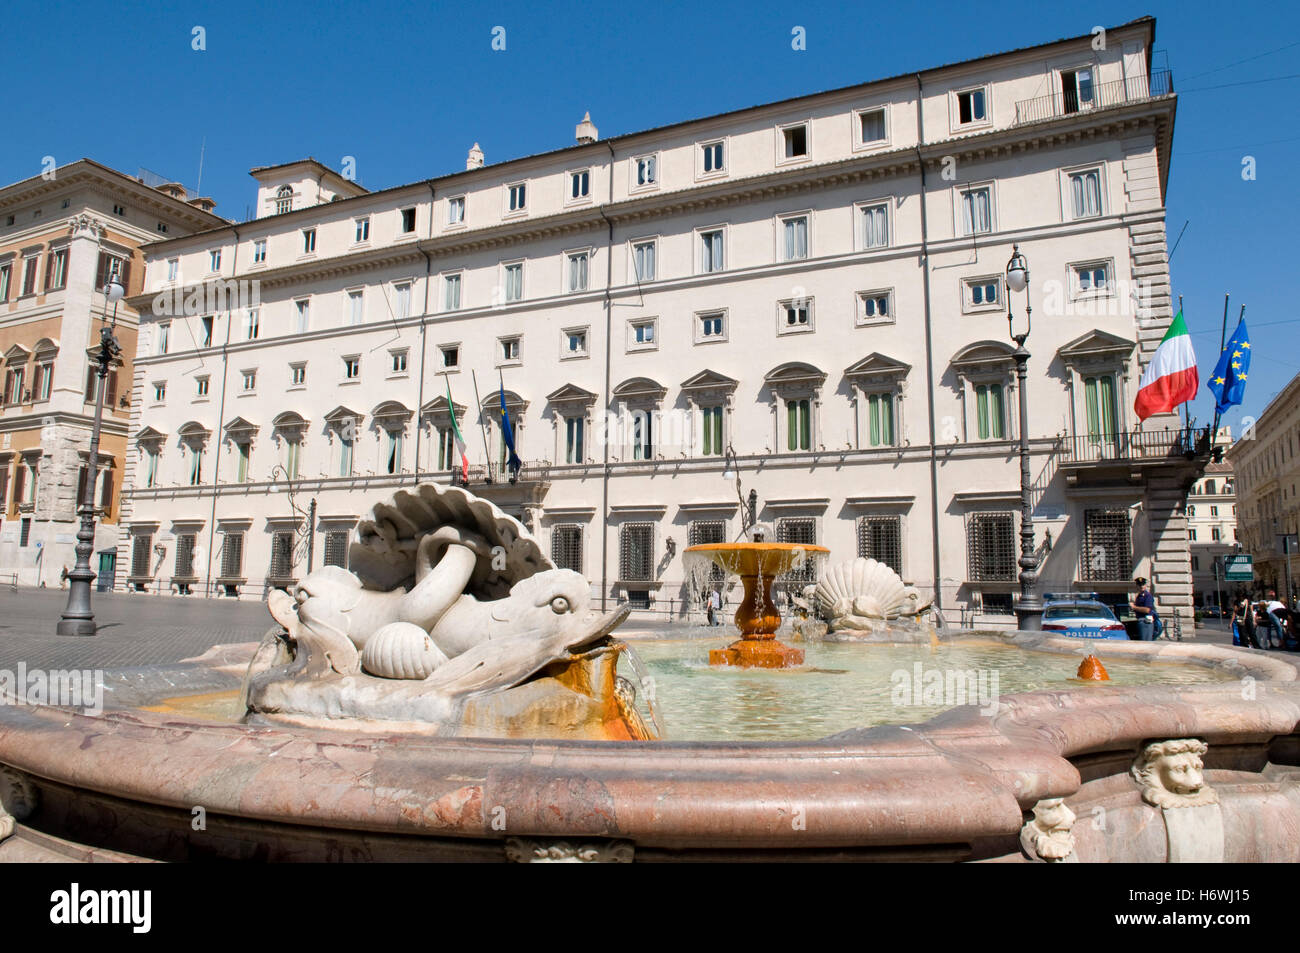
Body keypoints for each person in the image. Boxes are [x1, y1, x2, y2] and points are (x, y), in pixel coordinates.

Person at [1131, 577, 1158, 641]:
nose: (1141, 586)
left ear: (1145, 585)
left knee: (1146, 642)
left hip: (1146, 621)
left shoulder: (1147, 595)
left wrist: (1134, 607)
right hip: (1141, 620)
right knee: (1143, 641)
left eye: (1143, 584)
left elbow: (1147, 610)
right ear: (1137, 586)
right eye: (1140, 585)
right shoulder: (1139, 596)